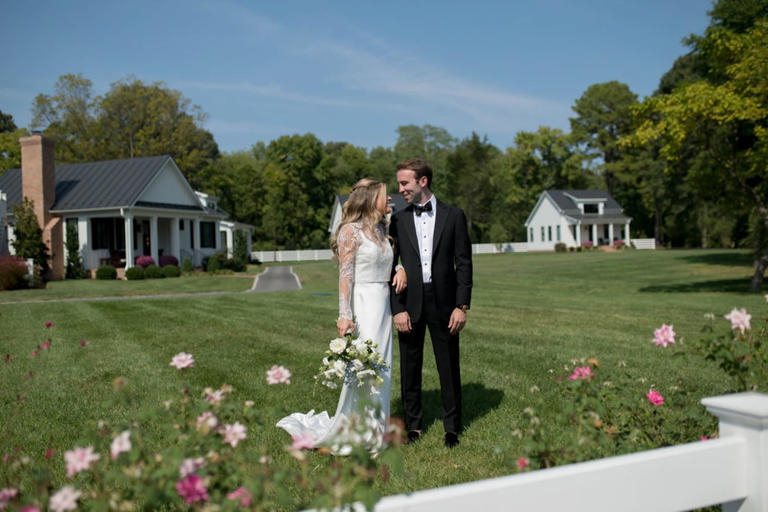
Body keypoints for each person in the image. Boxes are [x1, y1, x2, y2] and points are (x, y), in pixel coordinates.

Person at [276, 178, 406, 454]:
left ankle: (376, 427)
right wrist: (344, 315)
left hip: (383, 305)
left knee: (382, 367)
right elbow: (345, 276)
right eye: (385, 196)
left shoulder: (382, 231)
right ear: (372, 199)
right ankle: (358, 429)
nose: (390, 200)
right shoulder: (350, 231)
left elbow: (388, 262)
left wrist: (399, 269)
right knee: (364, 367)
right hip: (364, 304)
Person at [389, 158, 473, 448]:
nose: (400, 189)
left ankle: (452, 427)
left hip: (445, 303)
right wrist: (397, 309)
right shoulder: (397, 220)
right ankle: (414, 425)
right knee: (410, 367)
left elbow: (463, 264)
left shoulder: (454, 216)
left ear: (422, 181)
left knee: (448, 367)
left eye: (404, 183)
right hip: (409, 302)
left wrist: (461, 306)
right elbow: (390, 264)